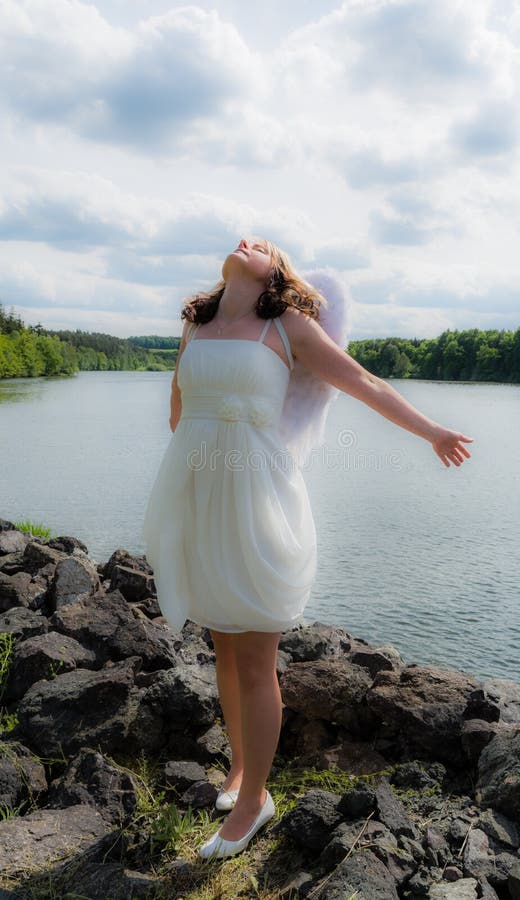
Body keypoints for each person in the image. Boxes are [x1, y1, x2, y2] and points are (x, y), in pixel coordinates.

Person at [142, 236, 474, 860]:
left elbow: (364, 381)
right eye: (245, 237)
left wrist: (432, 431)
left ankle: (253, 804)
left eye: (264, 243)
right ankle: (240, 770)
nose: (248, 240)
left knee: (254, 656)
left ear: (276, 274)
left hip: (258, 499)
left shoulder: (287, 325)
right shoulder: (195, 325)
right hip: (201, 494)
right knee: (223, 645)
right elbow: (178, 412)